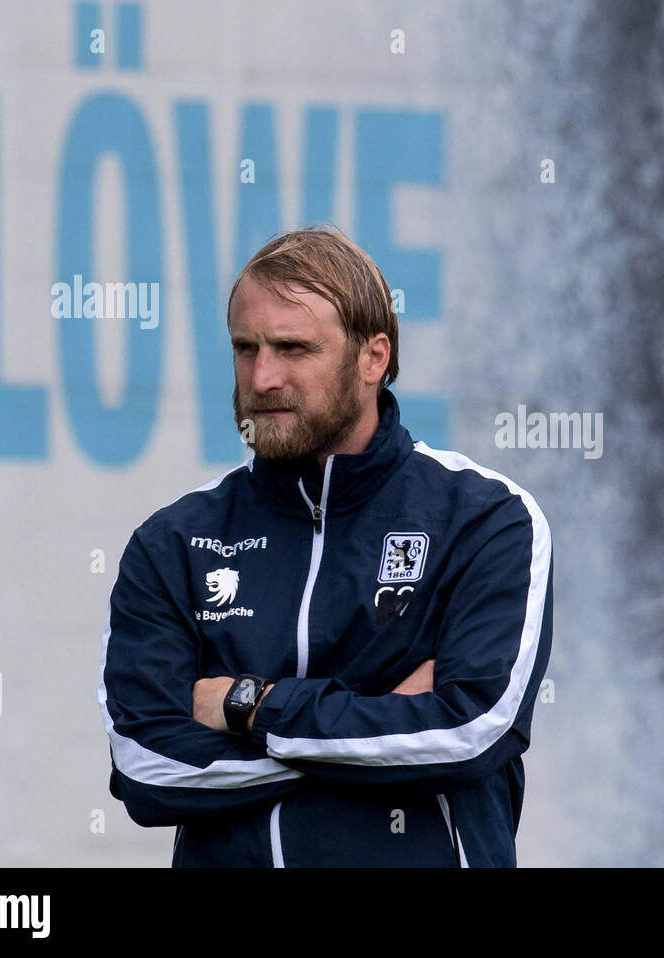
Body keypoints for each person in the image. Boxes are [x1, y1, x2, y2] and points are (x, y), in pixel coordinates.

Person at [98, 226, 553, 867]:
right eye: (245, 347)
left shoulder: (485, 519)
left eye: (293, 348)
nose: (263, 376)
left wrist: (246, 704)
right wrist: (378, 722)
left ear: (373, 358)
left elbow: (468, 733)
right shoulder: (171, 542)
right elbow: (147, 768)